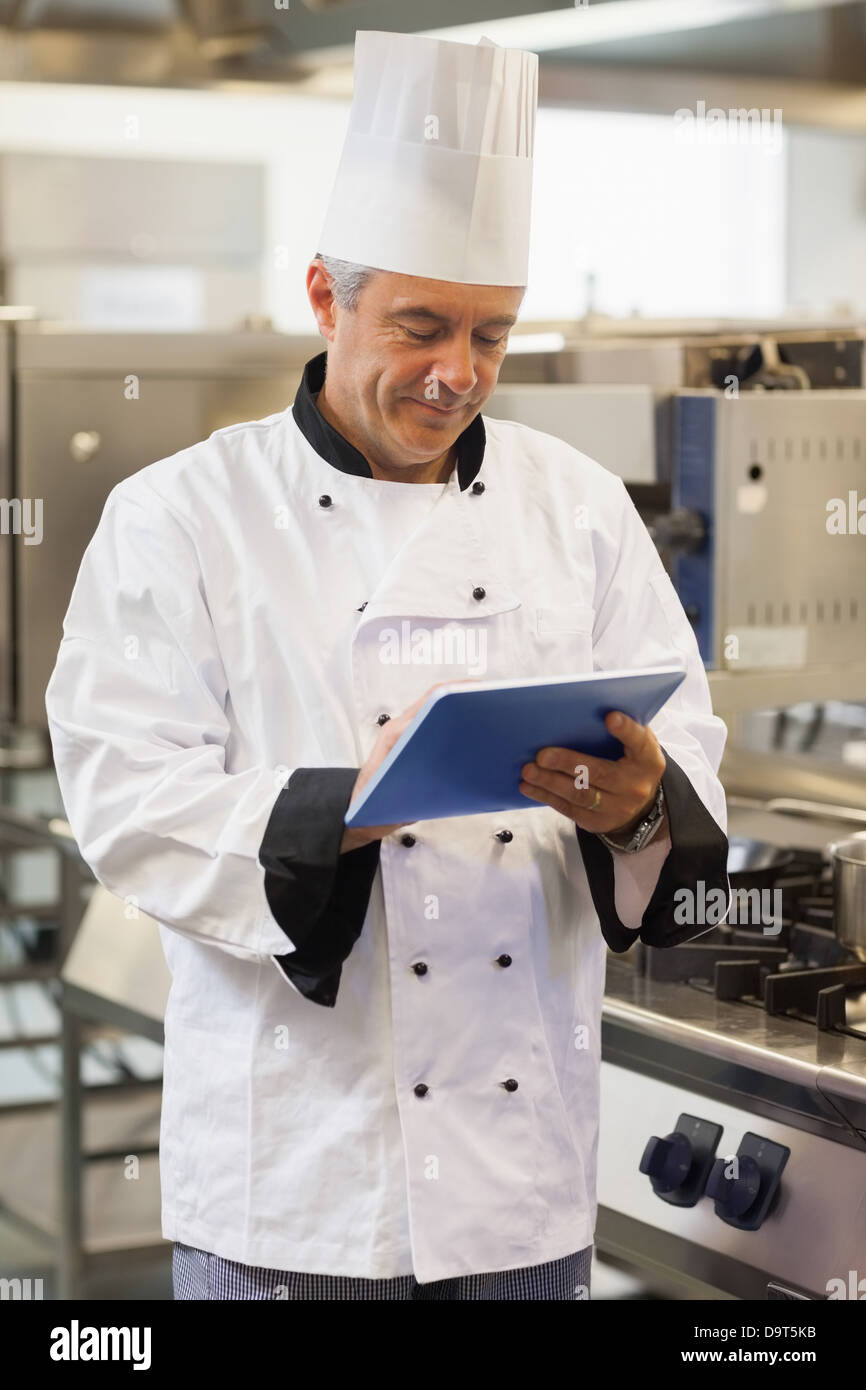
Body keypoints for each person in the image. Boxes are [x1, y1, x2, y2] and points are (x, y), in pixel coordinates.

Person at [45, 29, 728, 1301]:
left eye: (490, 336)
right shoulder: (181, 514)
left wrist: (642, 806)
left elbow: (684, 737)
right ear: (324, 294)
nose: (455, 375)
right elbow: (126, 800)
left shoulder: (573, 504)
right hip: (293, 1177)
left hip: (521, 1176)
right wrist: (346, 810)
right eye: (420, 325)